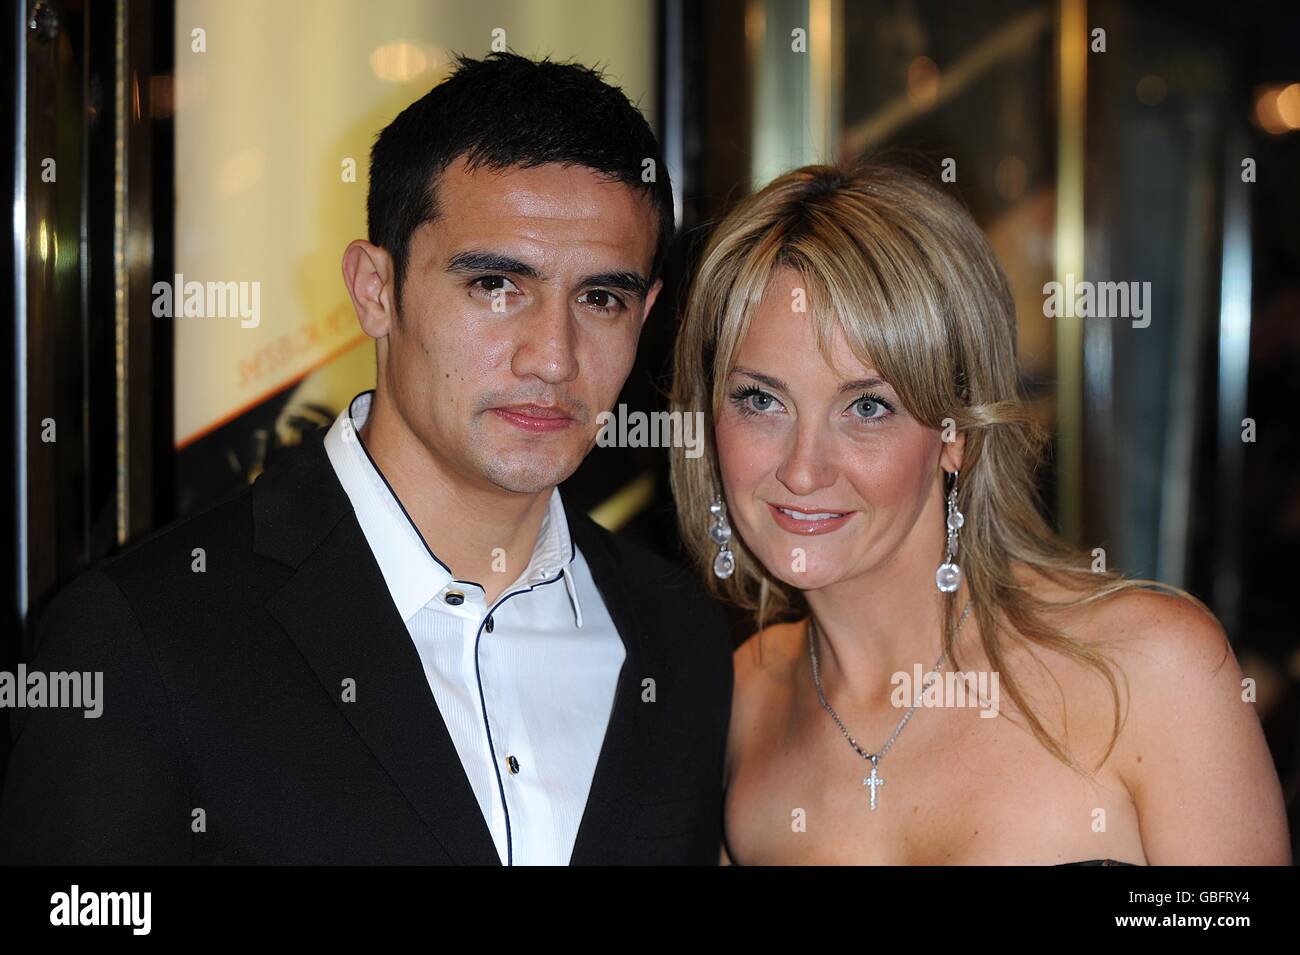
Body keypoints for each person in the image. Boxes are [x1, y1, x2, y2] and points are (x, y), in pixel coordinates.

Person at [0, 52, 732, 865]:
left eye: (601, 298)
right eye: (496, 284)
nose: (553, 358)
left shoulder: (683, 639)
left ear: (647, 312)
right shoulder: (141, 638)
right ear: (375, 289)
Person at [668, 161, 1291, 865]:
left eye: (868, 406)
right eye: (760, 400)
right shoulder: (743, 700)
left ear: (956, 433)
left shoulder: (1149, 668)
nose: (803, 468)